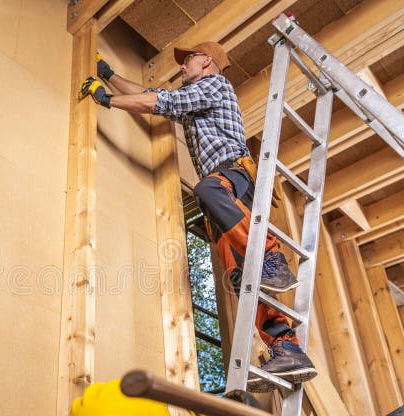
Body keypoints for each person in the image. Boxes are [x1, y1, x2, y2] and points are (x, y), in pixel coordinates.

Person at [79, 42, 316, 392]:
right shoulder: (194, 99)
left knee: (207, 191)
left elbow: (160, 102)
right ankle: (287, 348)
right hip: (223, 188)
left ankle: (272, 257)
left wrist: (107, 100)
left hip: (232, 178)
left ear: (205, 61)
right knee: (241, 279)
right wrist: (109, 76)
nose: (183, 66)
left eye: (188, 59)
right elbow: (148, 94)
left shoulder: (214, 86)